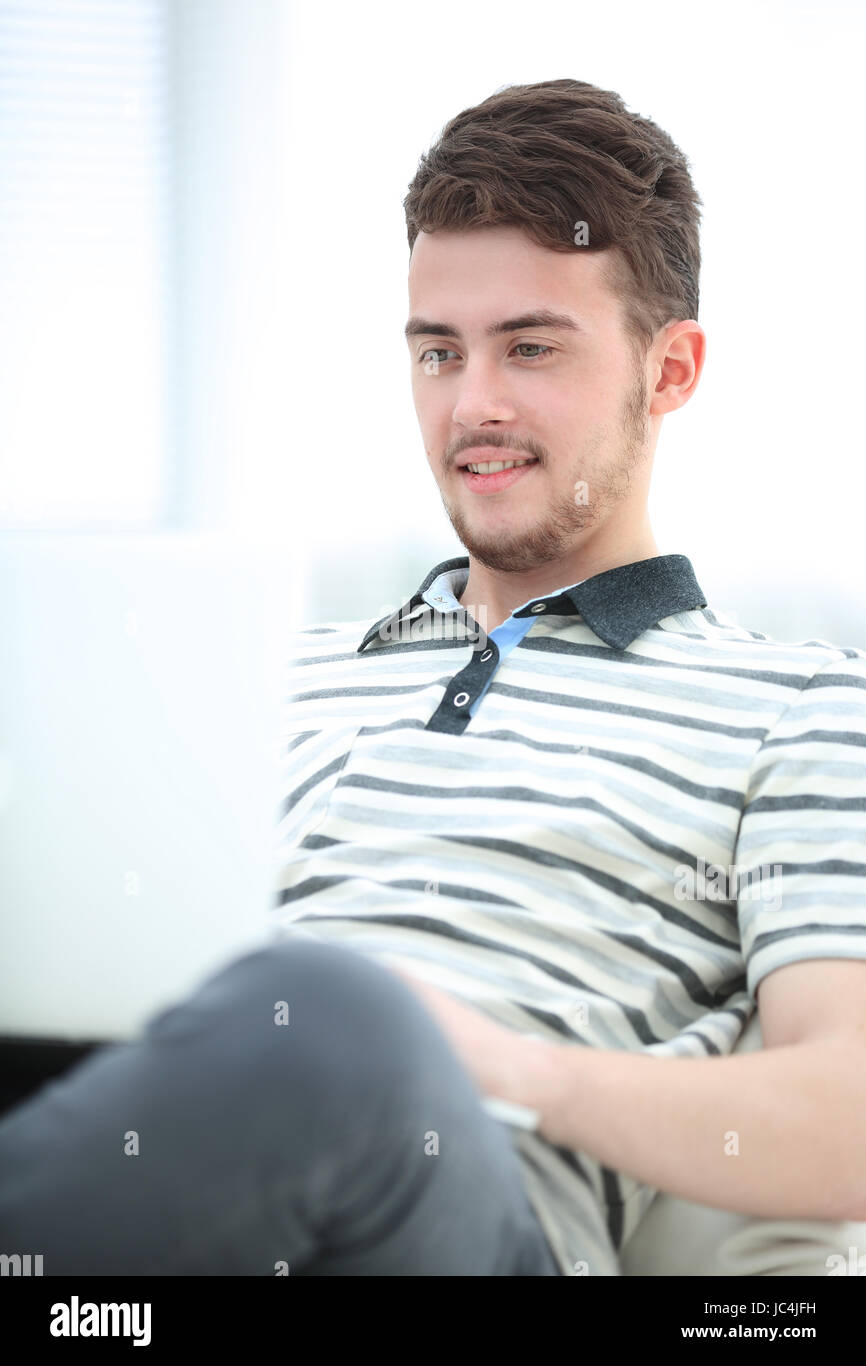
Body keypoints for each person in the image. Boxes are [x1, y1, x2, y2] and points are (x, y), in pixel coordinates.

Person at [3, 78, 866, 1277]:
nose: (473, 407)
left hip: (463, 1222)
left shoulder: (803, 709)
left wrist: (496, 1065)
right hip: (180, 1194)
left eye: (529, 347)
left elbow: (846, 1119)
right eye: (436, 351)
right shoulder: (254, 670)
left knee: (339, 1018)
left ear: (668, 372)